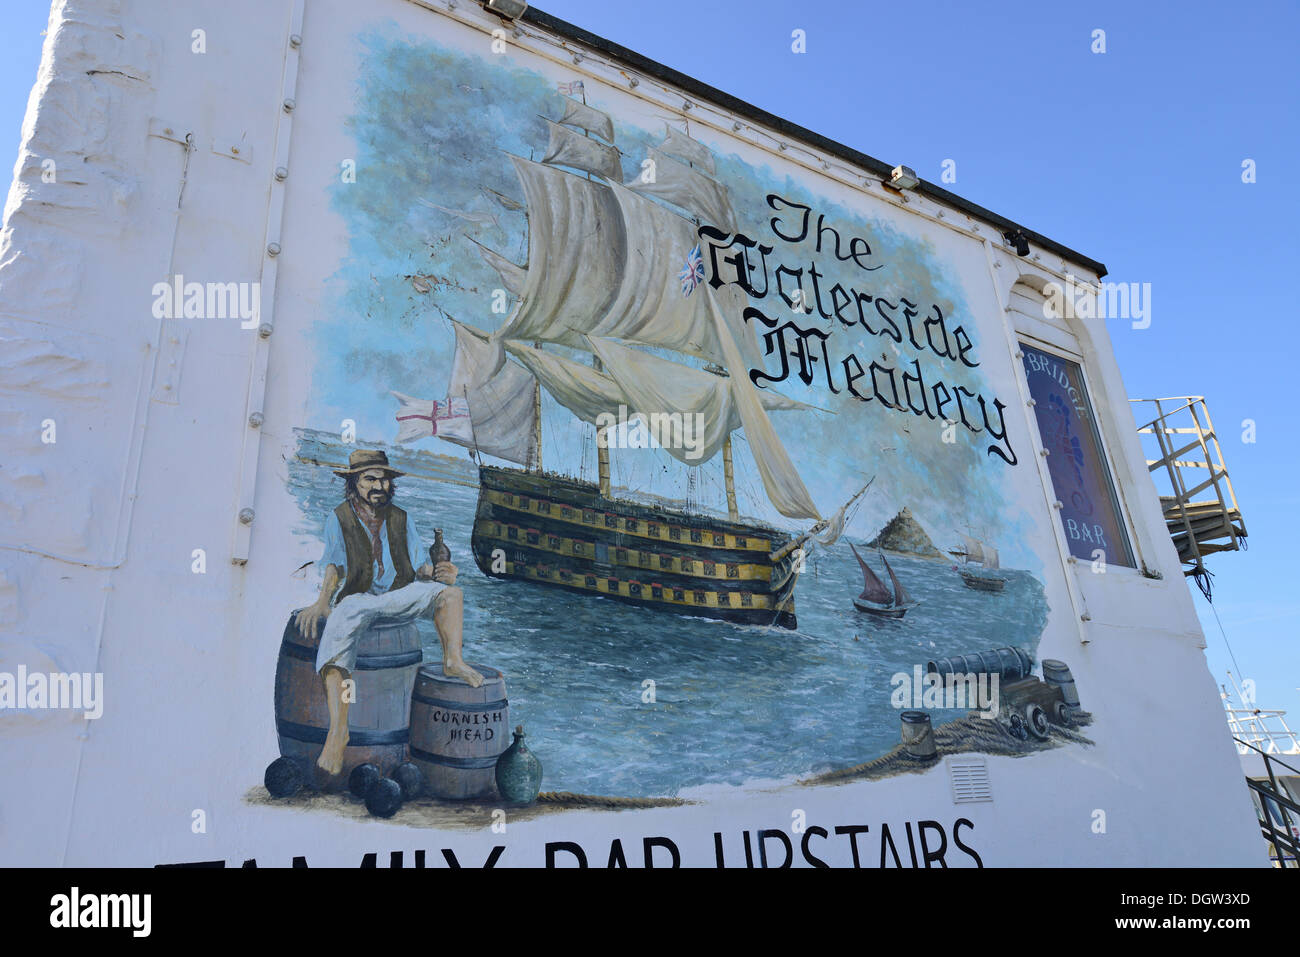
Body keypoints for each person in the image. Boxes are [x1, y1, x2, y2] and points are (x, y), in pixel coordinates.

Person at [294, 449, 483, 776]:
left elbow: (420, 568)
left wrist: (442, 574)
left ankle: (453, 660)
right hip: (359, 598)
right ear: (354, 483)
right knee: (337, 633)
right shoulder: (339, 517)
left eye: (383, 480)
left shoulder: (402, 518)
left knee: (452, 595)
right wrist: (323, 601)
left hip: (398, 595)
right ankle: (338, 732)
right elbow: (335, 566)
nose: (379, 486)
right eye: (370, 479)